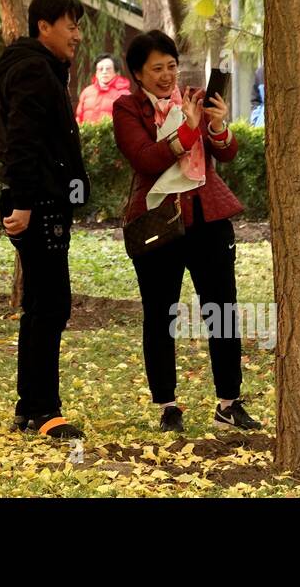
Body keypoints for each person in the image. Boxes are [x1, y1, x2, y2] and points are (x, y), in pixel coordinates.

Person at [112, 30, 262, 434]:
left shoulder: (194, 98)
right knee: (161, 315)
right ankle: (168, 406)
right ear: (138, 74)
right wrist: (189, 131)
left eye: (171, 66)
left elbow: (226, 152)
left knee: (223, 311)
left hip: (208, 218)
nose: (166, 75)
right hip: (159, 223)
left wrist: (217, 125)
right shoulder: (127, 109)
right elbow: (146, 160)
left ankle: (229, 402)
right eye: (156, 69)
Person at [0, 0, 90, 441]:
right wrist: (25, 204)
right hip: (40, 204)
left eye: (78, 25)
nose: (77, 34)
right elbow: (22, 143)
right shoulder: (33, 70)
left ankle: (29, 407)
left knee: (41, 305)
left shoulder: (41, 67)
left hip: (43, 202)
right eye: (70, 25)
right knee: (49, 306)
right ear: (43, 26)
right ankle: (44, 410)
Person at [75, 53, 132, 123]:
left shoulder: (124, 94)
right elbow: (78, 118)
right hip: (87, 133)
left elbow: (127, 122)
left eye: (108, 69)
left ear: (116, 72)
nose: (104, 72)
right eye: (101, 69)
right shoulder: (87, 92)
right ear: (96, 72)